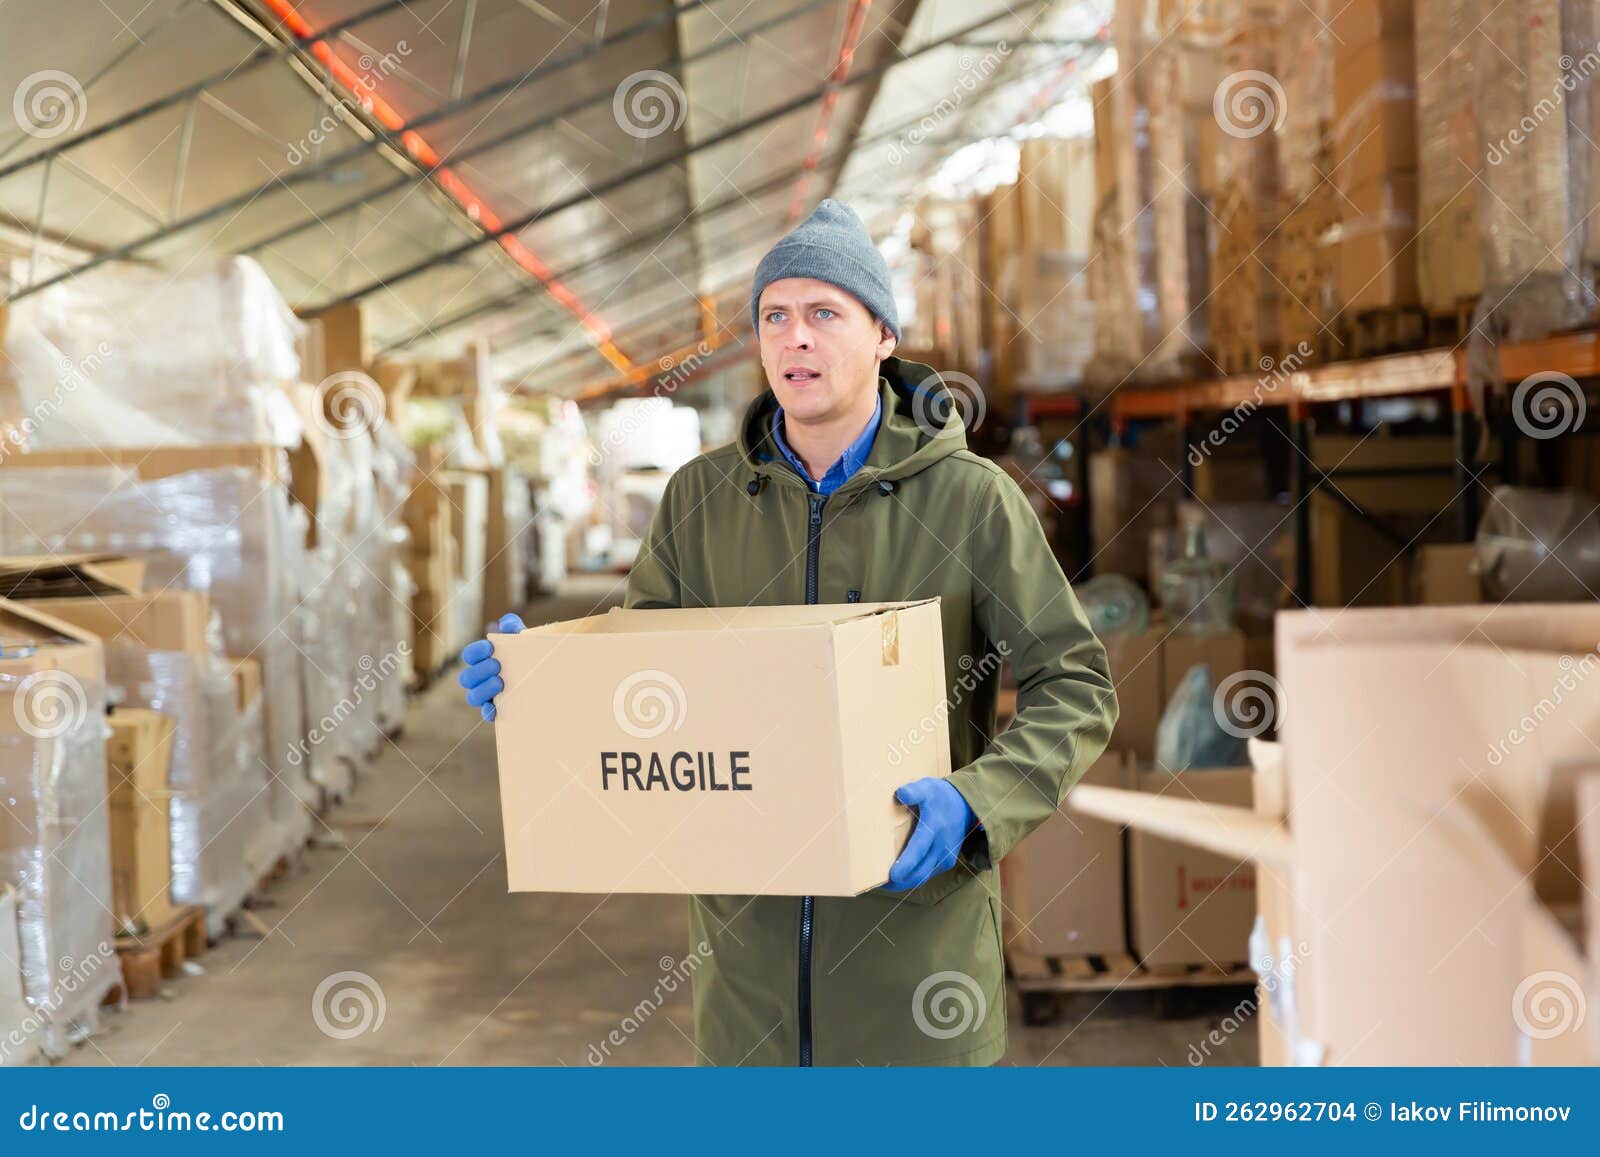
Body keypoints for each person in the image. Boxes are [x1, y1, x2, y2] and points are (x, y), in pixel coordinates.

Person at [459, 198, 1117, 1066]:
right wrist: (542, 685)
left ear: (882, 334)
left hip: (915, 982)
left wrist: (976, 801)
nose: (795, 338)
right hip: (745, 984)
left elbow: (1076, 683)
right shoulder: (700, 500)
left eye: (823, 313)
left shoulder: (970, 500)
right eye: (775, 316)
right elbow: (644, 680)